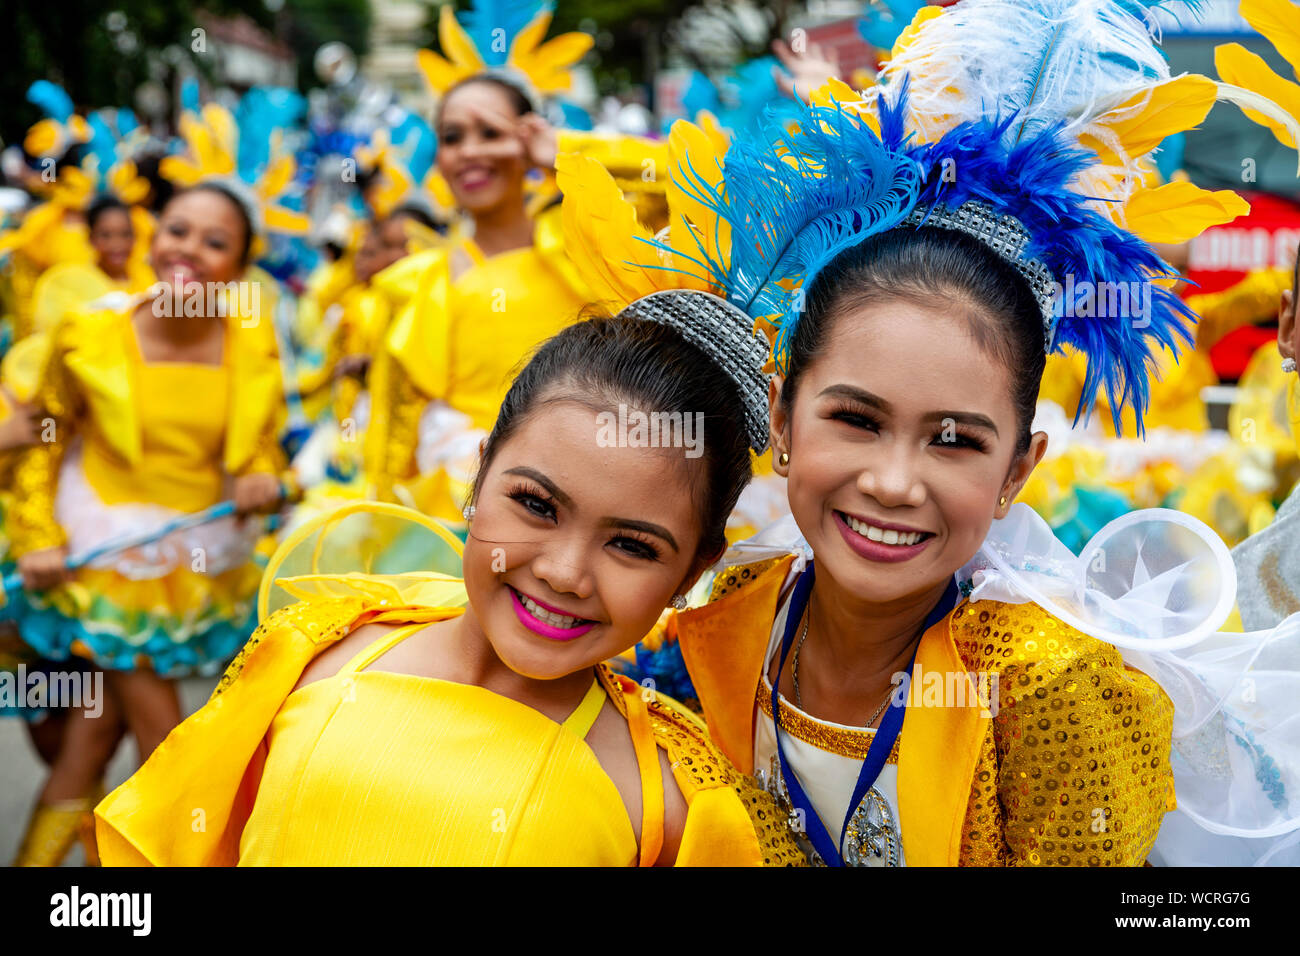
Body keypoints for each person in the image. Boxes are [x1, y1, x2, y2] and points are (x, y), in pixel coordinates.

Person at [644, 0, 1299, 865]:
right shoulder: (722, 619)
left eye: (954, 439)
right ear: (782, 418)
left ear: (1020, 470)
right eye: (855, 418)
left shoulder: (1057, 693)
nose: (893, 480)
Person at [94, 289, 802, 865]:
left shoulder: (674, 796)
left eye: (632, 547)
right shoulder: (309, 658)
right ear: (478, 473)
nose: (562, 573)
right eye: (534, 505)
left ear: (693, 570)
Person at [5, 182, 291, 865]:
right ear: (152, 236)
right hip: (103, 556)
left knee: (92, 740)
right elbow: (44, 438)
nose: (188, 251)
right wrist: (36, 537)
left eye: (215, 241)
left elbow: (257, 445)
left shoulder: (252, 342)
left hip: (197, 560)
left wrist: (260, 474)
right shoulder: (90, 331)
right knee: (170, 745)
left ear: (241, 265)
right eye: (177, 230)